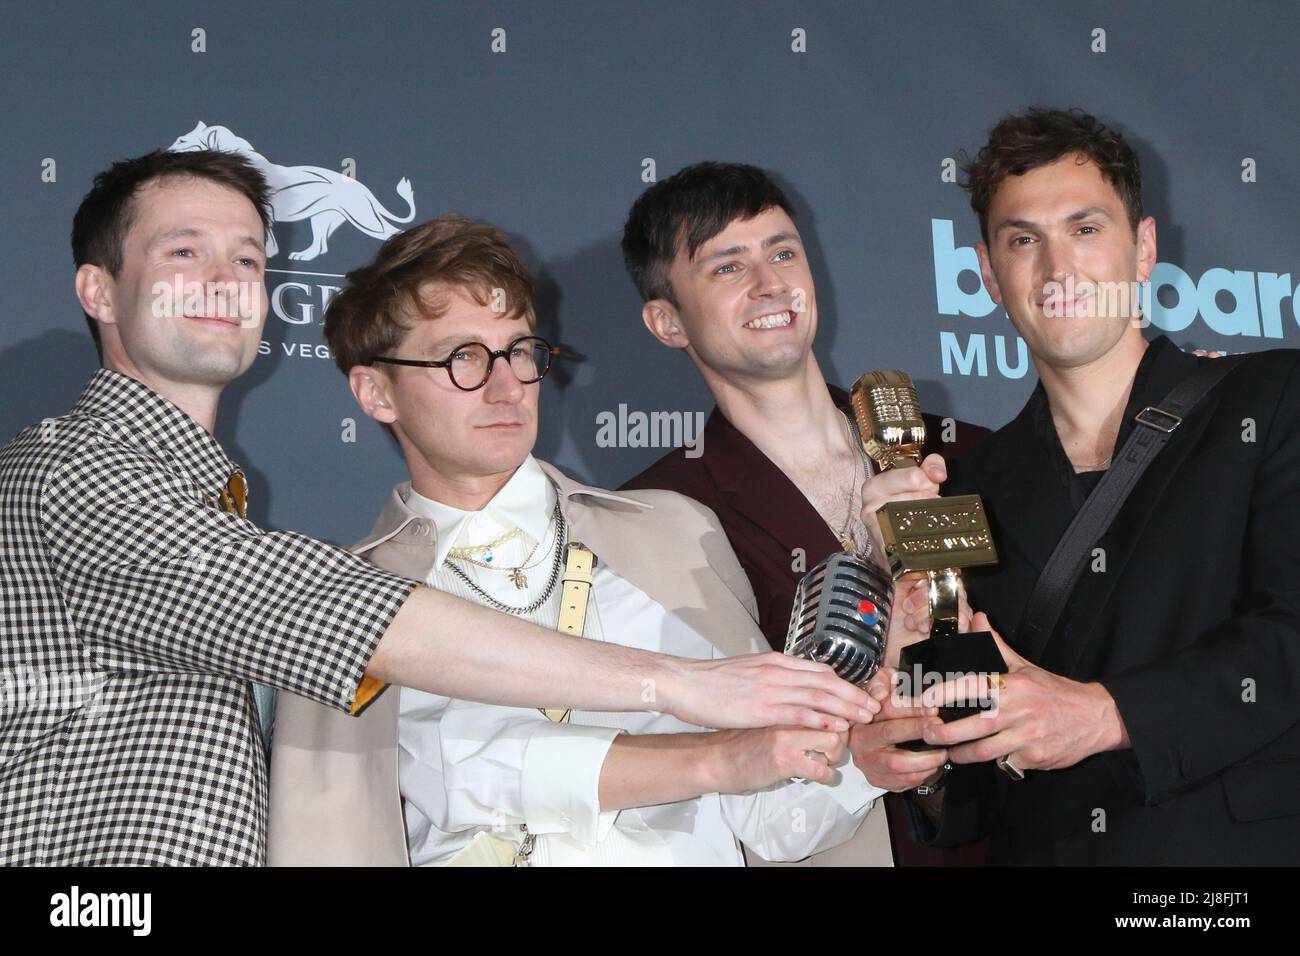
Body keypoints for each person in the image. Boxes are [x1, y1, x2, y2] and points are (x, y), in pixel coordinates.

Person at [0, 150, 877, 866]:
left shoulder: (673, 529)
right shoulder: (80, 472)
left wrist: (858, 739)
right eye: (182, 253)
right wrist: (688, 698)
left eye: (249, 259)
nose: (224, 280)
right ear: (99, 291)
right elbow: (373, 652)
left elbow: (781, 806)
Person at [268, 214, 880, 865]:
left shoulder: (673, 532)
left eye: (520, 351)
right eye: (463, 358)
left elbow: (774, 819)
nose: (506, 386)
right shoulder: (341, 599)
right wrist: (715, 755)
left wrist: (866, 755)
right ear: (375, 391)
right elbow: (471, 768)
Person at [850, 107, 1300, 864]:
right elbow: (972, 785)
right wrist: (910, 743)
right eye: (1024, 240)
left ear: (1144, 248)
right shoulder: (959, 490)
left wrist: (1105, 715)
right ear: (990, 274)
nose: (1058, 270)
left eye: (1085, 229)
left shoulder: (1272, 398)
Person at [619, 162, 990, 866]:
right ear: (668, 320)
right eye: (728, 268)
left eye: (783, 252)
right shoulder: (655, 516)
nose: (770, 285)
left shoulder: (961, 455)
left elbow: (1021, 678)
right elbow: (707, 771)